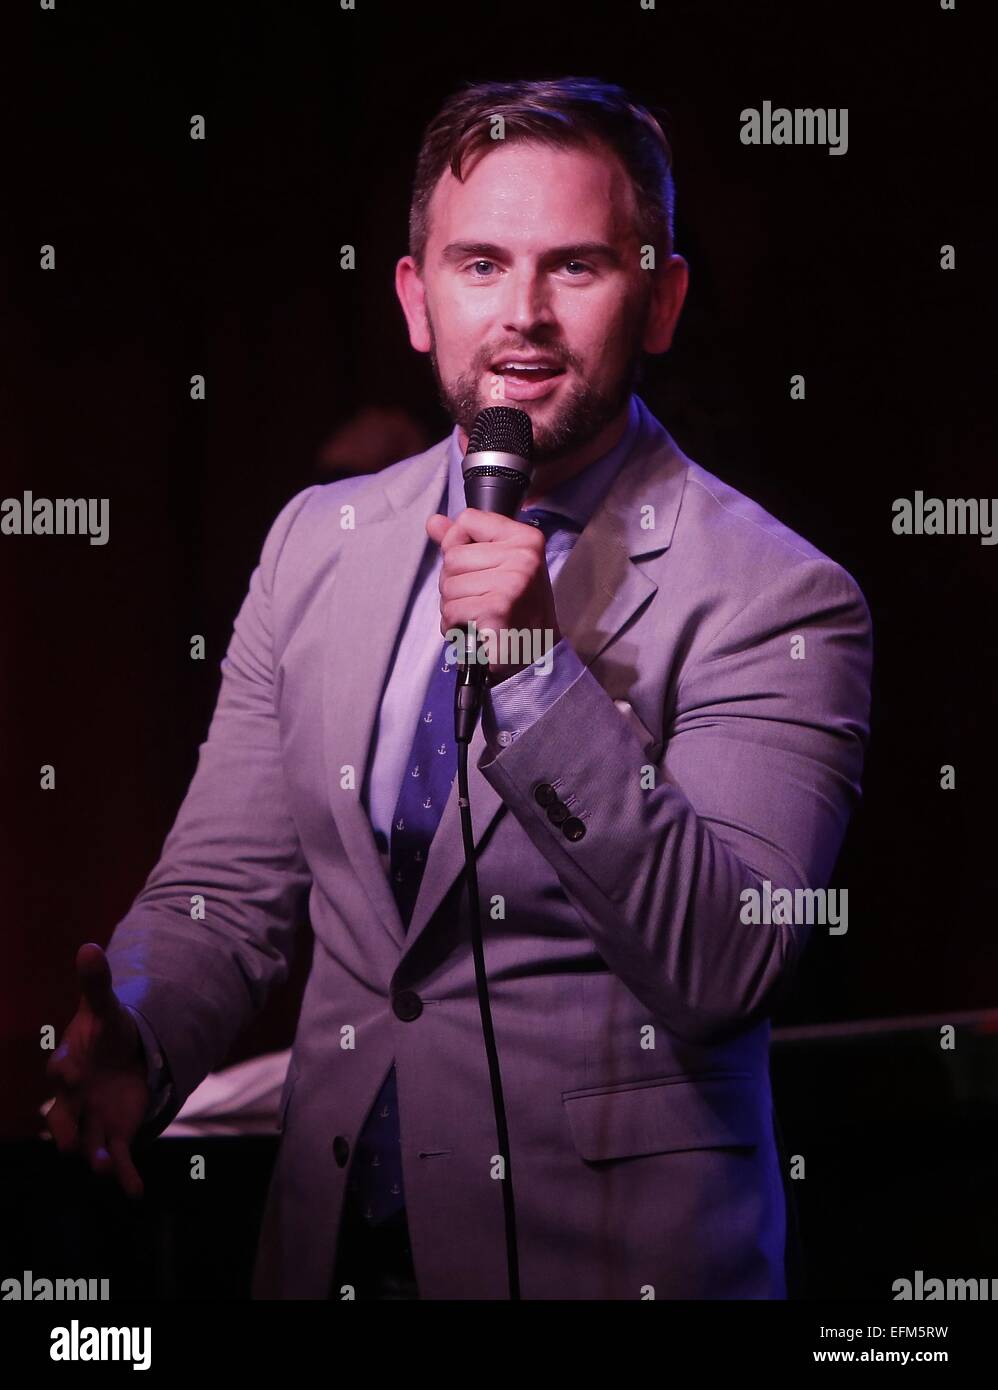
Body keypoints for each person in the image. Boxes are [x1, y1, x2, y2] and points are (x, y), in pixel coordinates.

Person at [45, 76, 873, 1300]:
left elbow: (722, 965)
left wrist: (539, 675)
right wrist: (142, 1032)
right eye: (479, 263)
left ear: (661, 300)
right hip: (332, 1252)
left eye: (576, 267)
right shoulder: (315, 542)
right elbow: (229, 888)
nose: (522, 315)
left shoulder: (777, 596)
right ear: (415, 299)